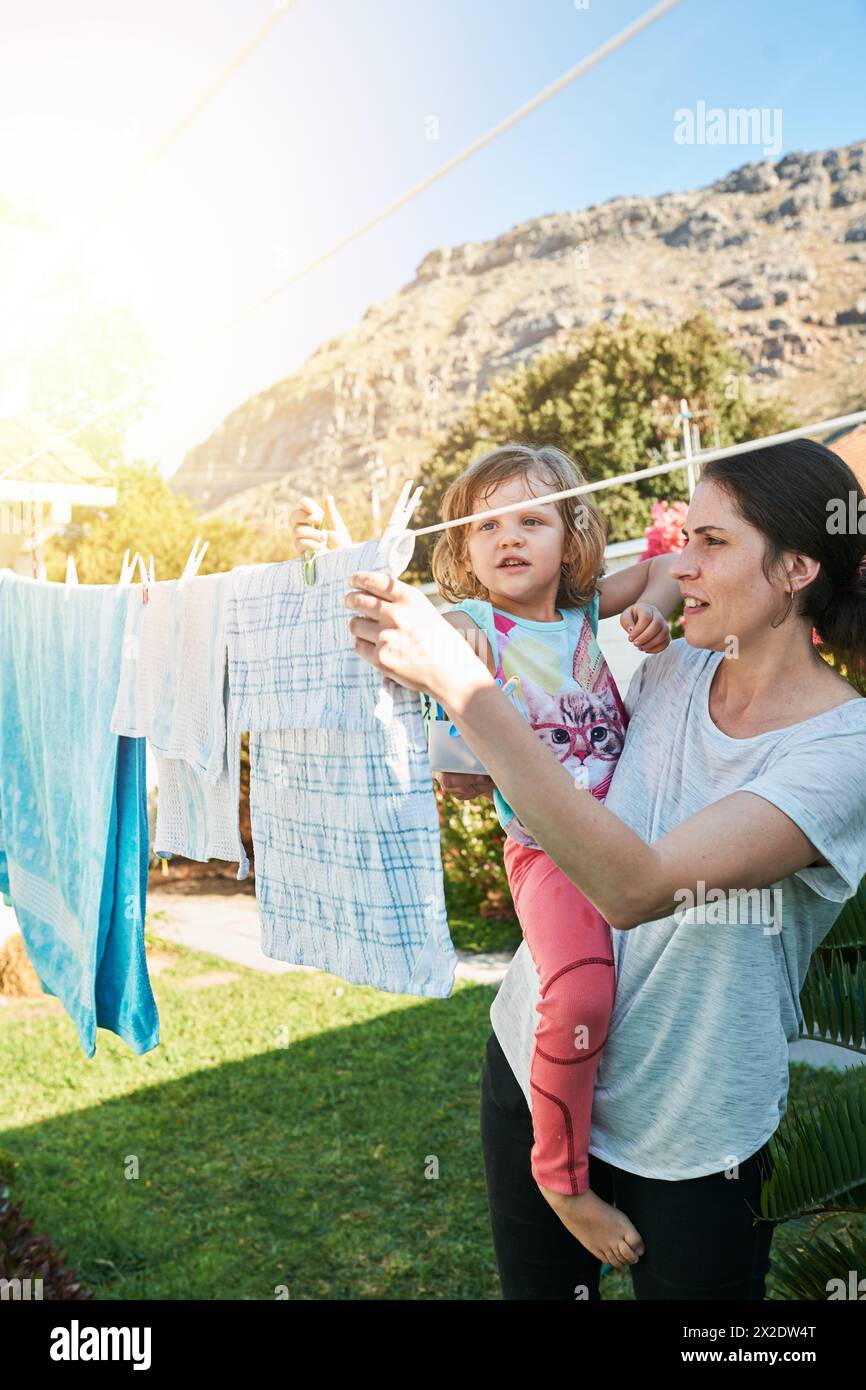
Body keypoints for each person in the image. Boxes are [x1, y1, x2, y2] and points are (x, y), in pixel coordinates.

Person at [336, 437, 866, 1300]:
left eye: (711, 543)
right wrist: (501, 762)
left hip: (694, 1138)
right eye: (683, 535)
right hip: (534, 1065)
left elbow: (635, 887)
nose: (676, 563)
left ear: (798, 568)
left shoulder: (842, 749)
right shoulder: (680, 657)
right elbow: (564, 753)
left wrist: (463, 686)